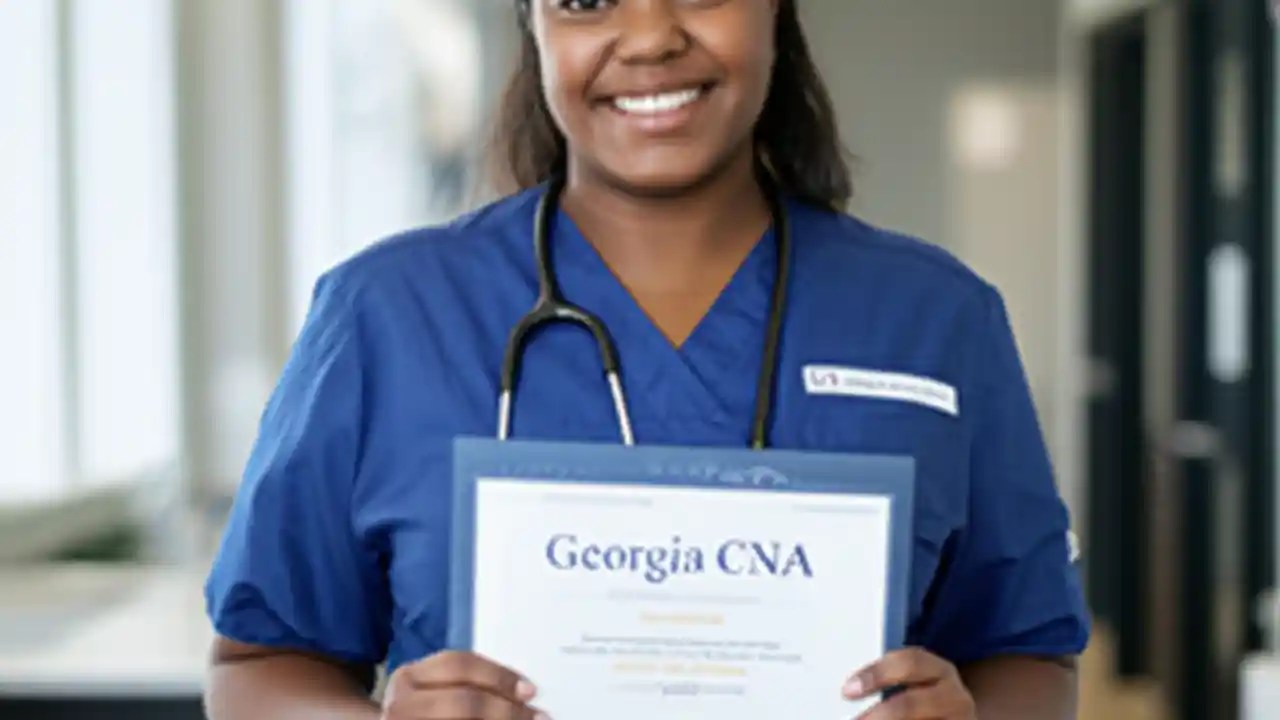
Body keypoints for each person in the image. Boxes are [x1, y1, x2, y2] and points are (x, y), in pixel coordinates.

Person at [203, 1, 1091, 718]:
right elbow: (258, 662)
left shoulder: (936, 319)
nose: (651, 35)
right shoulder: (387, 314)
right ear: (535, 25)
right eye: (587, 1)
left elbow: (1028, 653)